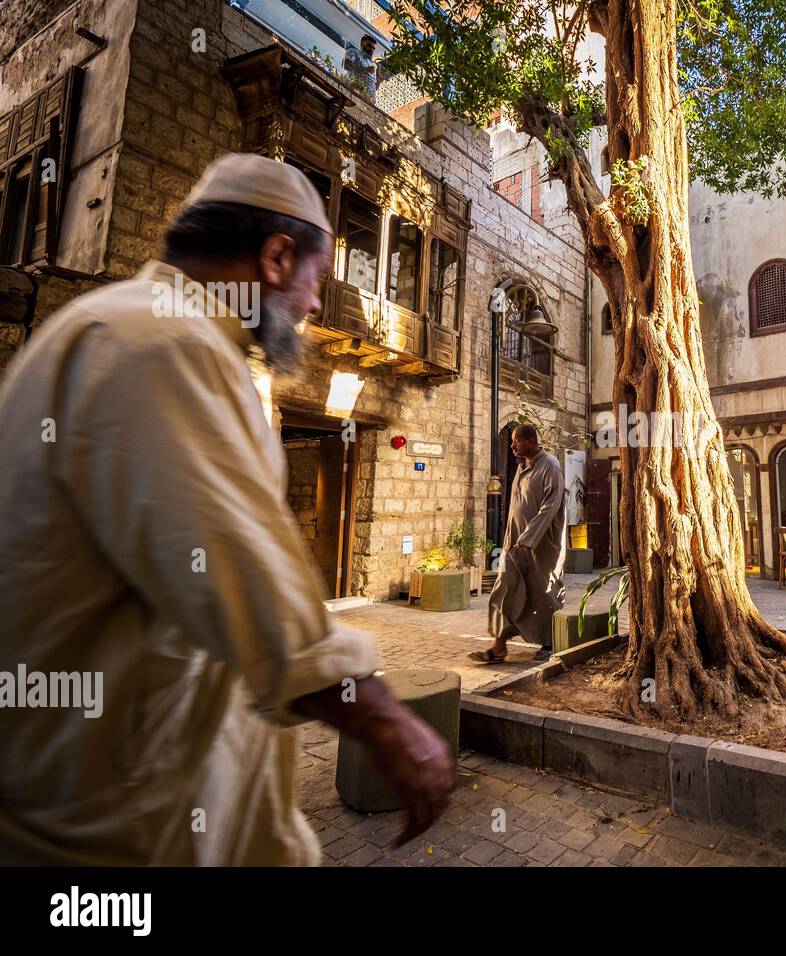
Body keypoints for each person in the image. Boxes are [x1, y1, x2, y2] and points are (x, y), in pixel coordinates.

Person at [0, 153, 454, 865]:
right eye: (317, 279)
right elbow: (239, 572)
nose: (313, 305)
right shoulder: (162, 341)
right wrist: (388, 723)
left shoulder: (143, 330)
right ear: (277, 257)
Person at [472, 424, 567, 664]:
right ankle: (499, 646)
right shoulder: (521, 468)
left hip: (543, 545)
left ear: (531, 441)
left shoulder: (551, 467)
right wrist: (513, 538)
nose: (513, 444)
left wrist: (528, 538)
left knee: (544, 592)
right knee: (503, 588)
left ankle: (549, 642)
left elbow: (550, 506)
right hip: (513, 544)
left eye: (516, 440)